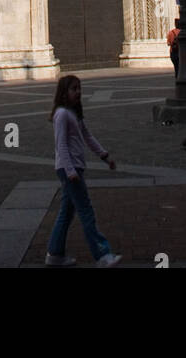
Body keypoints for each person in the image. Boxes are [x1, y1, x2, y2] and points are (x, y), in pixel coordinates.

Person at [46, 75, 121, 268]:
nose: (78, 92)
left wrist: (104, 156)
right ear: (64, 92)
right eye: (73, 89)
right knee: (86, 211)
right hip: (69, 169)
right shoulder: (61, 114)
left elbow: (87, 136)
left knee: (67, 212)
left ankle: (54, 254)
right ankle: (102, 255)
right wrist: (70, 170)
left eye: (79, 88)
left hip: (74, 167)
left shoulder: (73, 112)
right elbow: (60, 145)